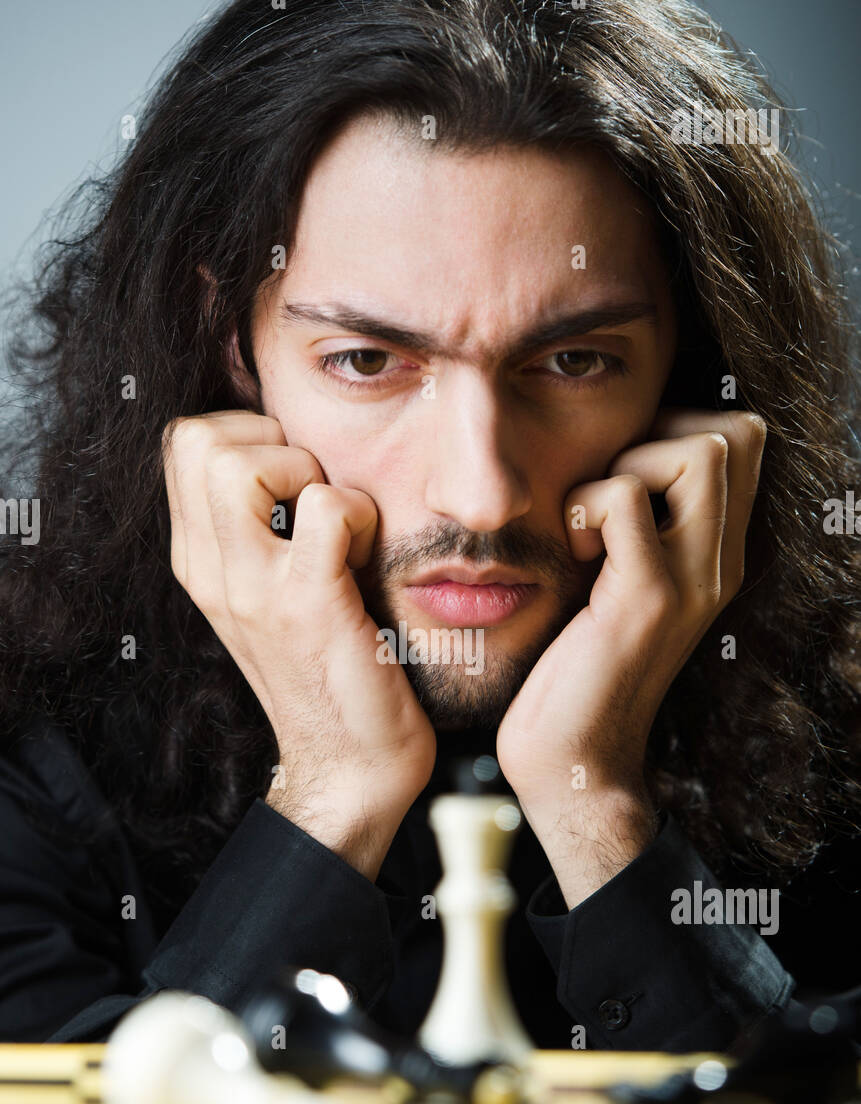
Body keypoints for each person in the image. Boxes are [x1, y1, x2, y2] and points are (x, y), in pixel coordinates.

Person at [0, 0, 858, 1050]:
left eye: (574, 360)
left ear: (687, 367)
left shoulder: (842, 724)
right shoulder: (25, 735)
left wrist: (600, 813)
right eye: (367, 362)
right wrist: (332, 789)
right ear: (230, 344)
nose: (480, 496)